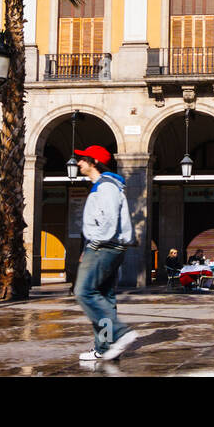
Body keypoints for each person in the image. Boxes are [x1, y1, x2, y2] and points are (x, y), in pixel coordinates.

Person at [72, 145, 139, 362]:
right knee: (104, 298)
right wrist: (87, 247)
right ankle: (106, 346)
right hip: (105, 246)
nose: (78, 163)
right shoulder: (103, 186)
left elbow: (109, 220)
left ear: (94, 162)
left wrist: (94, 244)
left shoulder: (106, 186)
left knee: (84, 292)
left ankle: (121, 333)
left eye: (82, 159)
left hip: (104, 247)